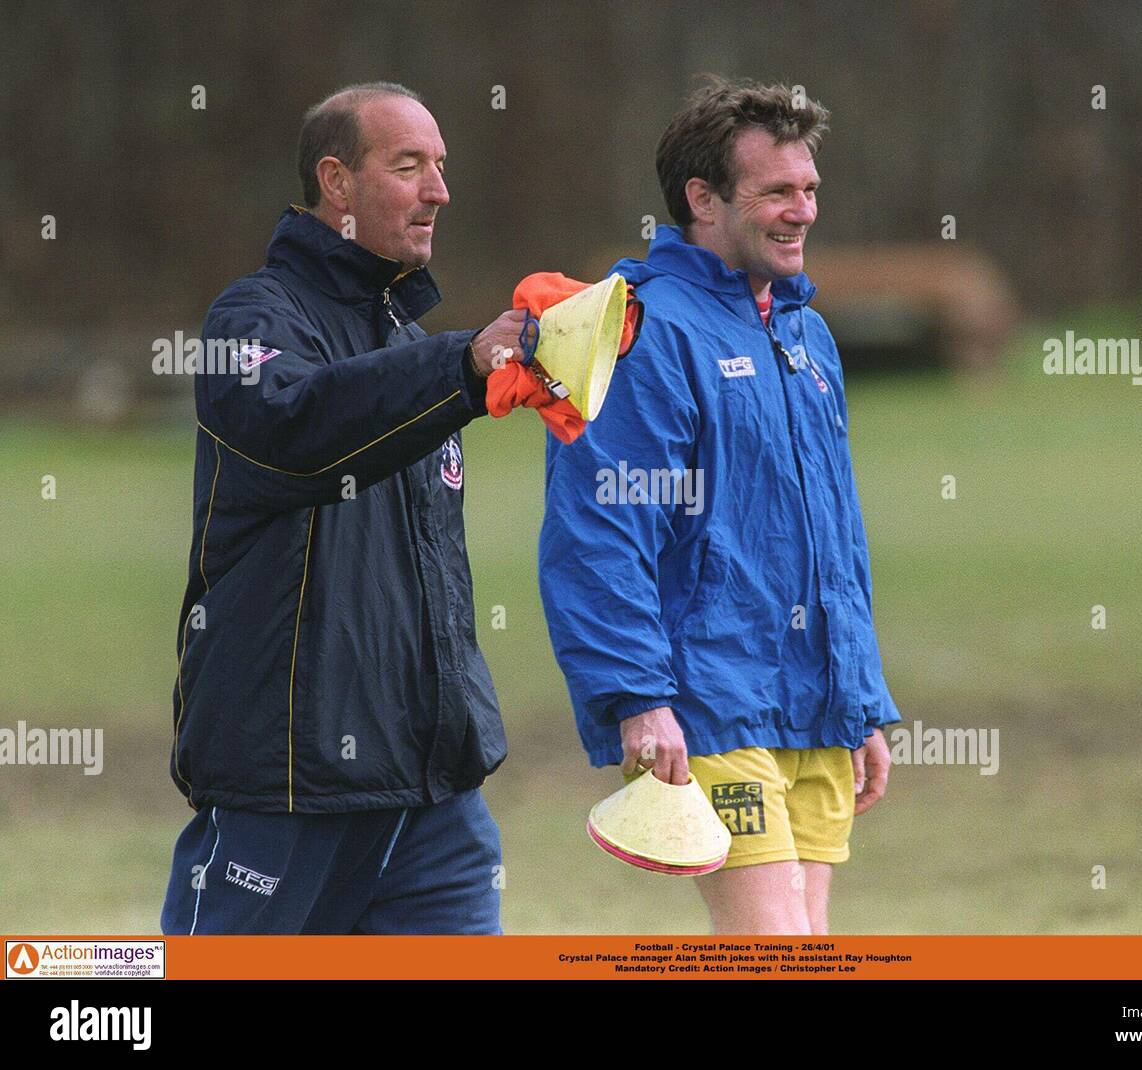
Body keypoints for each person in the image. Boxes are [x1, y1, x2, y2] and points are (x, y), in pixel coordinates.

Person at [161, 82, 526, 934]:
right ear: (336, 181)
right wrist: (461, 369)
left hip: (434, 804)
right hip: (289, 793)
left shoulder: (407, 343)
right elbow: (298, 430)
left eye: (440, 166)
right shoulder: (250, 320)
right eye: (408, 166)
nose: (439, 189)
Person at [538, 77, 900, 935]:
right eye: (776, 190)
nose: (802, 210)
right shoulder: (643, 329)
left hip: (815, 705)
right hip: (709, 700)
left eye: (809, 189)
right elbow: (599, 529)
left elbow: (832, 534)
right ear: (704, 199)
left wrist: (861, 698)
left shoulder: (805, 333)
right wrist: (637, 695)